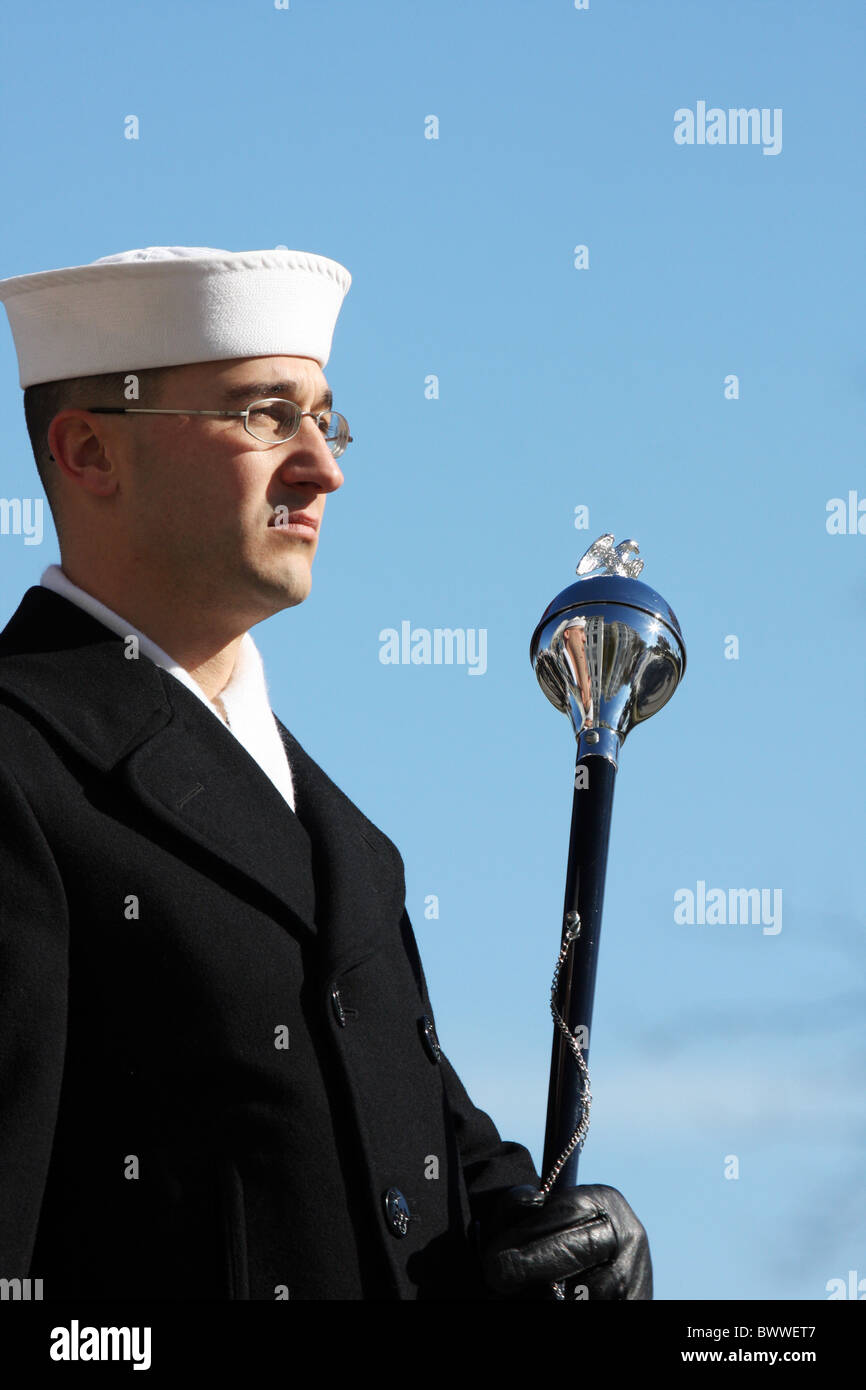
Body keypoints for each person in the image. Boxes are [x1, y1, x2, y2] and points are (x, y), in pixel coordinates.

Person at [0, 245, 652, 1301]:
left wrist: (568, 1250)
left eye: (325, 419)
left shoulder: (349, 845)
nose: (323, 465)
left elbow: (432, 1193)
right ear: (88, 453)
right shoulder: (20, 766)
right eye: (264, 415)